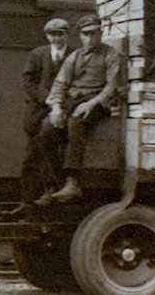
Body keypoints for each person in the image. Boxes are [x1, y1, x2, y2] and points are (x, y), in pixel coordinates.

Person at [44, 14, 123, 202]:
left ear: (100, 33)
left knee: (76, 122)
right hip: (74, 100)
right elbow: (60, 84)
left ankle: (73, 182)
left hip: (98, 102)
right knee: (46, 129)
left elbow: (112, 86)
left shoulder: (111, 55)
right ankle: (54, 185)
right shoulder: (74, 57)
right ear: (80, 35)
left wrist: (92, 103)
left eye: (94, 33)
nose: (90, 38)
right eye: (86, 34)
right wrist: (56, 107)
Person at [15, 19, 71, 209]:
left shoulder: (74, 55)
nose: (56, 38)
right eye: (53, 35)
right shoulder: (38, 54)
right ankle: (28, 199)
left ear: (66, 35)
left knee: (54, 151)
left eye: (60, 34)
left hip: (63, 112)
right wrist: (48, 99)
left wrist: (61, 105)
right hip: (38, 112)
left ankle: (52, 192)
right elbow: (28, 81)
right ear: (47, 36)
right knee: (32, 155)